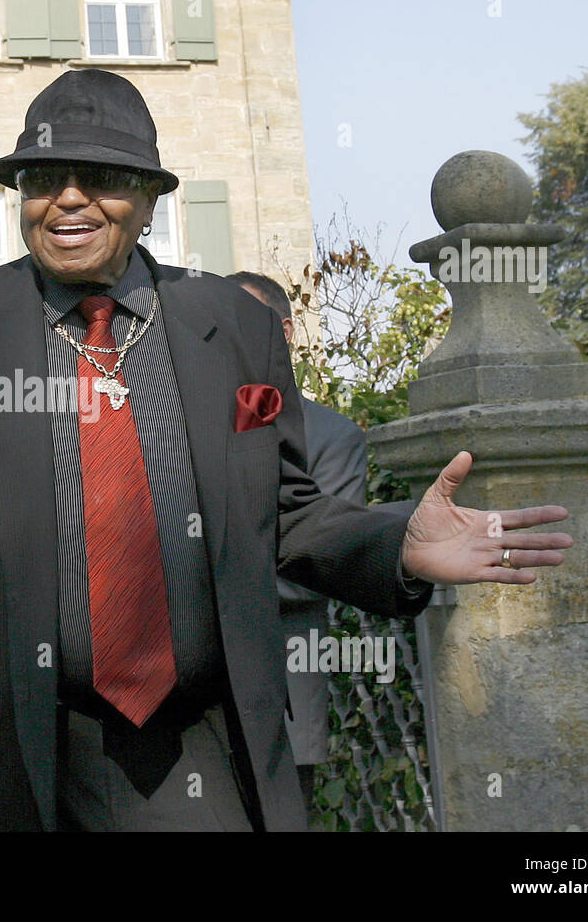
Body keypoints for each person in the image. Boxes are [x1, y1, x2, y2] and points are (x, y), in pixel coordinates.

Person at [0, 68, 573, 831]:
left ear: (151, 197)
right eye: (40, 177)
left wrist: (396, 541)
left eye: (99, 176)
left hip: (196, 739)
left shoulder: (232, 326)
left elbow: (285, 509)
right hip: (20, 744)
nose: (66, 197)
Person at [230, 270, 370, 823]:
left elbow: (321, 563)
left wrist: (191, 571)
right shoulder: (173, 428)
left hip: (282, 699)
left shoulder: (333, 438)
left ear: (284, 333)